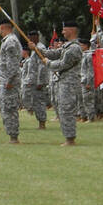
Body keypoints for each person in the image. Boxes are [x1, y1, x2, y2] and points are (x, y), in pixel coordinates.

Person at [40, 18, 83, 146]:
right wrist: (38, 50)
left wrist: (48, 63)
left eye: (64, 29)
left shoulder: (74, 48)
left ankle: (70, 139)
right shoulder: (67, 46)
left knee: (67, 110)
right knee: (63, 109)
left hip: (70, 84)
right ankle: (68, 137)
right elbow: (54, 54)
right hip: (64, 83)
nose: (62, 32)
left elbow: (63, 64)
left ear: (71, 30)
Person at [0, 19, 24, 144]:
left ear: (2, 28)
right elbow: (4, 59)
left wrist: (9, 80)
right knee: (6, 108)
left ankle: (13, 137)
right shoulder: (9, 41)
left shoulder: (10, 42)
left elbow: (12, 64)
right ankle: (12, 136)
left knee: (9, 109)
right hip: (7, 81)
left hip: (9, 83)